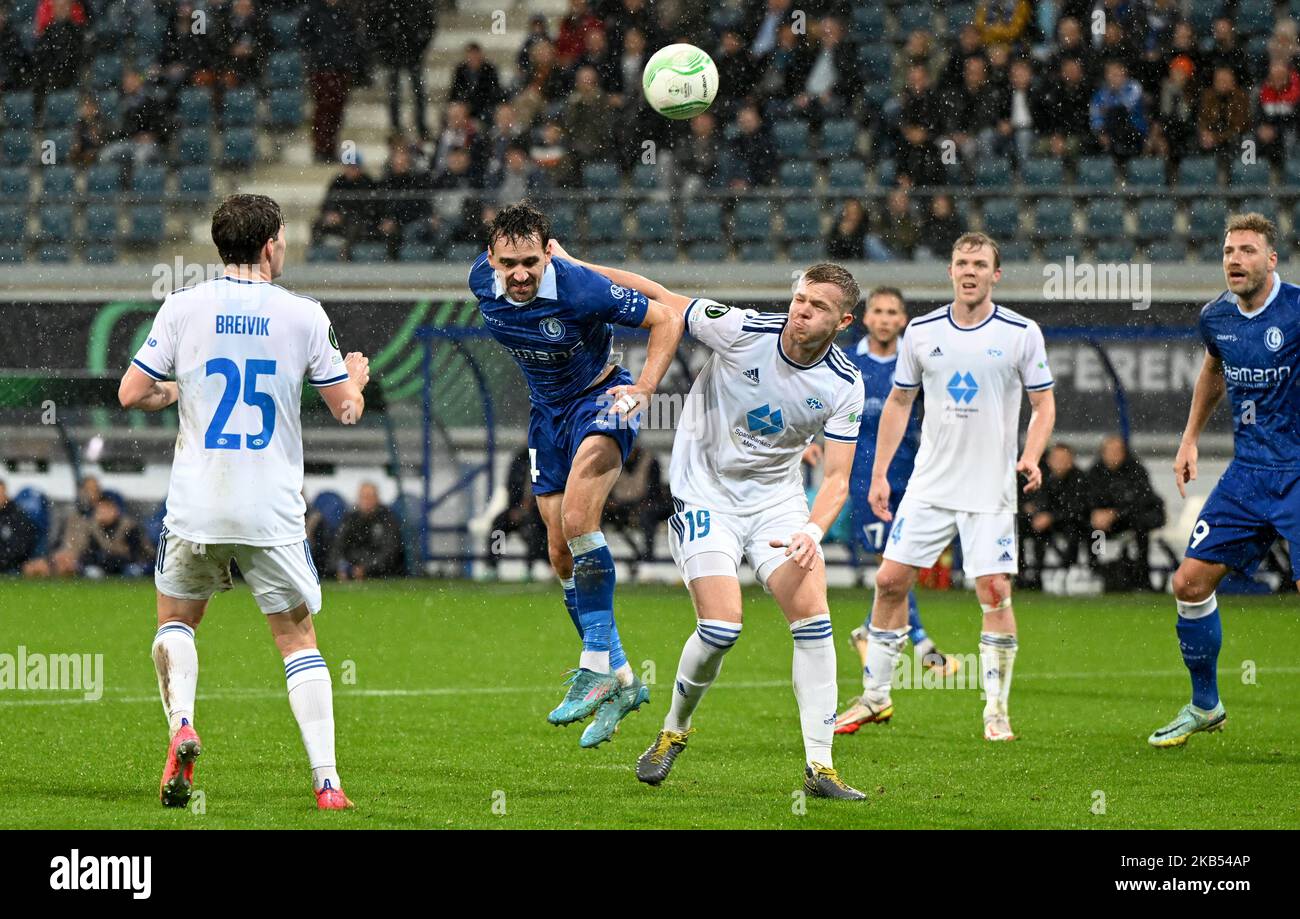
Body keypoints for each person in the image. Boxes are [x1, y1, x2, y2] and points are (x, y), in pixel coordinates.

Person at [554, 248, 871, 799]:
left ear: (843, 322)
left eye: (818, 307)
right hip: (706, 497)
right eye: (799, 299)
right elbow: (659, 299)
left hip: (777, 506)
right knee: (722, 629)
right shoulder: (744, 329)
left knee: (815, 624)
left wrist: (813, 531)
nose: (801, 311)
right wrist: (573, 267)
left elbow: (840, 478)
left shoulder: (845, 384)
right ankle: (673, 730)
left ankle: (820, 768)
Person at [117, 194, 370, 809]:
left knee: (177, 622)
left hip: (198, 504)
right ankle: (327, 782)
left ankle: (182, 724)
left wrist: (176, 391)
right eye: (282, 238)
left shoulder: (182, 307)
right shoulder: (304, 315)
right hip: (270, 509)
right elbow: (346, 411)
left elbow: (131, 393)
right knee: (297, 641)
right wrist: (357, 377)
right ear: (268, 245)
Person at [467, 203, 683, 748]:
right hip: (547, 416)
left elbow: (666, 316)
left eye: (531, 262)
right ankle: (623, 682)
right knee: (559, 549)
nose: (519, 275)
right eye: (508, 262)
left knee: (578, 518)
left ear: (548, 255)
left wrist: (645, 390)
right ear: (489, 257)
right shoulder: (479, 282)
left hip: (601, 399)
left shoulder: (579, 289)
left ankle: (592, 668)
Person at [860, 233, 1056, 742]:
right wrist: (881, 472)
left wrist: (1031, 455)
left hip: (989, 487)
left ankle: (996, 711)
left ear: (997, 274)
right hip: (928, 483)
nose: (969, 271)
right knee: (889, 582)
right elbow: (900, 403)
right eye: (961, 263)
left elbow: (1043, 405)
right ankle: (875, 696)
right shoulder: (921, 332)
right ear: (950, 271)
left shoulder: (1021, 332)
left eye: (980, 264)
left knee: (993, 592)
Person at [1155, 213, 1300, 747]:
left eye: (1246, 250)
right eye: (1227, 251)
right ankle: (1205, 704)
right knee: (1188, 584)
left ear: (1271, 259)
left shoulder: (1298, 310)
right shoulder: (1216, 317)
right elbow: (1214, 371)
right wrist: (1190, 436)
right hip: (1248, 475)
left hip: (1299, 472)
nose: (1234, 260)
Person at [828, 286, 960, 736]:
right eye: (878, 311)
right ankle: (922, 646)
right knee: (894, 566)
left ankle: (869, 632)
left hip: (917, 475)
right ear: (866, 319)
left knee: (905, 564)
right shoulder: (847, 362)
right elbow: (821, 405)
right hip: (867, 482)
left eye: (893, 312)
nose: (885, 319)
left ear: (903, 320)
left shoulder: (914, 361)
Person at [1084, 434, 1165, 590]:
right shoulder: (1094, 472)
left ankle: (1141, 575)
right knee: (1093, 530)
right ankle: (1097, 570)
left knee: (1141, 527)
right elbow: (1086, 498)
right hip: (1103, 526)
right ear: (1103, 452)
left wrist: (1116, 513)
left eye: (1118, 450)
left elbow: (1142, 501)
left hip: (1131, 520)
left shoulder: (1136, 470)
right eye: (1110, 450)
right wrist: (1096, 513)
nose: (1114, 454)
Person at [1021, 443, 1089, 586]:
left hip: (1070, 523)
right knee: (1021, 526)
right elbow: (1031, 500)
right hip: (1041, 523)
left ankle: (1073, 570)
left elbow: (1079, 508)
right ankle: (1025, 573)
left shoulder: (1080, 478)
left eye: (1064, 459)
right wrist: (1033, 511)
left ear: (1071, 460)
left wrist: (1052, 517)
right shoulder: (1039, 476)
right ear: (1049, 460)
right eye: (1056, 458)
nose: (1060, 462)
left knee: (1090, 532)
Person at [484, 448, 547, 578]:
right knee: (498, 527)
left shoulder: (545, 457)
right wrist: (514, 508)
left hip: (537, 512)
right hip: (515, 509)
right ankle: (493, 566)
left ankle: (530, 567)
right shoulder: (520, 459)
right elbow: (511, 485)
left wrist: (532, 507)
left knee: (534, 531)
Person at [332, 483, 402, 579]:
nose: (366, 501)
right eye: (363, 497)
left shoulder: (388, 519)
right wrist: (341, 567)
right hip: (350, 570)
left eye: (369, 497)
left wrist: (367, 569)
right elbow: (337, 546)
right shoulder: (350, 519)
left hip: (381, 575)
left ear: (377, 498)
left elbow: (390, 552)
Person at [0, 480, 38, 574]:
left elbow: (20, 548)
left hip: (12, 567)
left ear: (5, 494)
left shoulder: (17, 516)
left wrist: (3, 560)